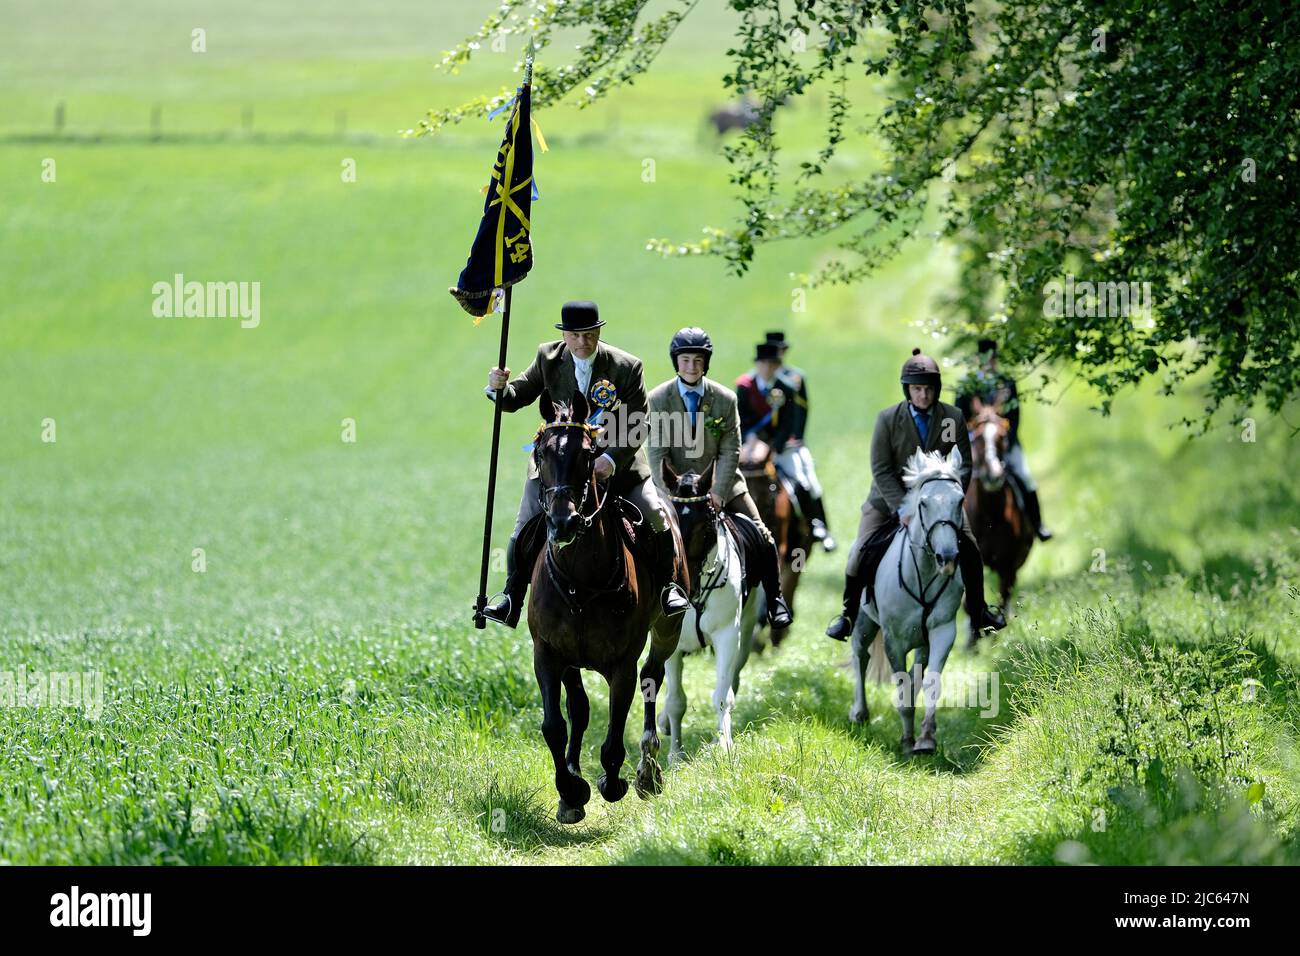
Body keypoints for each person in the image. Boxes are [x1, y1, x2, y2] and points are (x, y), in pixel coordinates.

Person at [480, 300, 689, 628]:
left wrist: (609, 459)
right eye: (575, 335)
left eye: (589, 334)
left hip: (617, 464)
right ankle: (511, 597)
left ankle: (668, 587)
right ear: (564, 334)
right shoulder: (547, 358)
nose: (582, 341)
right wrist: (497, 388)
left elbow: (640, 422)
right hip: (559, 466)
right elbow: (516, 397)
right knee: (524, 525)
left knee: (653, 512)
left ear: (598, 332)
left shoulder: (626, 366)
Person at [824, 348, 1009, 641]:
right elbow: (881, 469)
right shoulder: (887, 419)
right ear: (907, 390)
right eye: (917, 389)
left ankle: (979, 610)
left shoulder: (952, 417)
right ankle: (847, 615)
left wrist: (945, 495)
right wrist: (903, 508)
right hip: (888, 501)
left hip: (940, 503)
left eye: (928, 389)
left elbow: (965, 464)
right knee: (859, 551)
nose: (923, 395)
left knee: (971, 549)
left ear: (936, 390)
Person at [646, 327, 794, 628]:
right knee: (646, 536)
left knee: (762, 534)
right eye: (685, 359)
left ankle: (775, 599)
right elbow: (657, 451)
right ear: (677, 361)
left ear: (706, 363)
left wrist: (719, 490)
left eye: (697, 360)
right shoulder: (658, 398)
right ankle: (650, 601)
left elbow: (731, 448)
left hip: (720, 483)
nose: (691, 366)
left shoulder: (724, 399)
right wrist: (667, 494)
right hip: (673, 489)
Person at [735, 341, 835, 550]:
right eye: (763, 363)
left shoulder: (787, 387)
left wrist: (775, 448)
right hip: (750, 444)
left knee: (803, 479)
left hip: (779, 447)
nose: (767, 368)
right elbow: (740, 418)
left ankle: (816, 523)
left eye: (772, 364)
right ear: (757, 364)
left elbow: (788, 422)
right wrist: (750, 437)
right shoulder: (744, 387)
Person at [955, 338, 1052, 541]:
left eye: (992, 359)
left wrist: (1005, 438)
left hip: (1004, 443)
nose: (989, 363)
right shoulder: (966, 386)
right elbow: (958, 418)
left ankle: (1037, 524)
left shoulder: (1007, 383)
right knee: (953, 481)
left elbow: (1015, 418)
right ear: (978, 359)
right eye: (985, 359)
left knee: (1025, 477)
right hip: (974, 446)